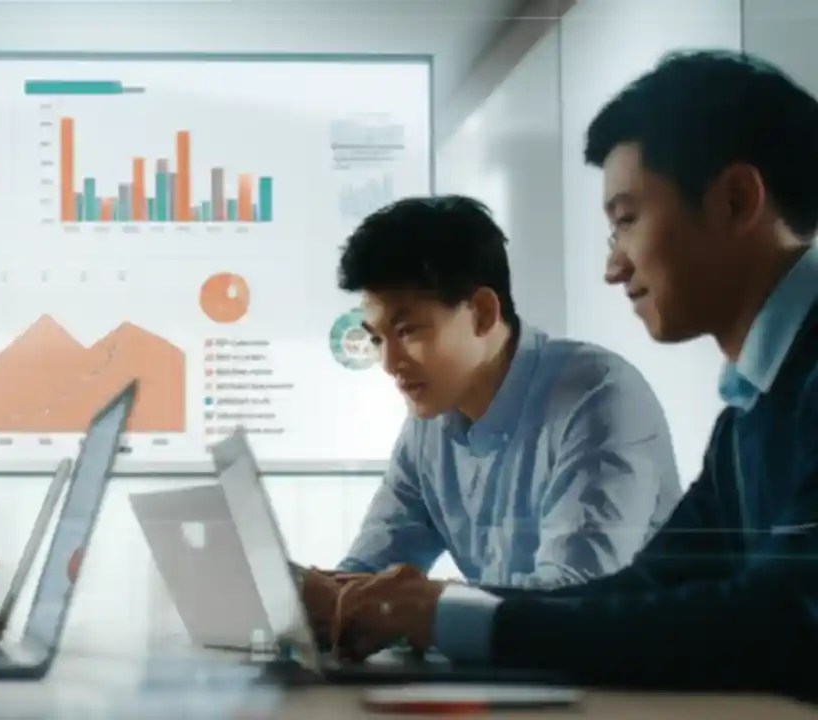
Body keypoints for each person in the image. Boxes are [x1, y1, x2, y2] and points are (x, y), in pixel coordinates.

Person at [327, 50, 818, 698]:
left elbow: (781, 622)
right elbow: (644, 591)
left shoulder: (788, 390)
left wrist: (443, 612)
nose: (613, 267)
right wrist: (405, 606)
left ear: (734, 199)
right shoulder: (751, 412)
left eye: (626, 222)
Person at [301, 195, 681, 642]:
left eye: (407, 332)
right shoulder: (432, 420)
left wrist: (426, 606)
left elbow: (577, 597)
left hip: (624, 687)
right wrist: (317, 599)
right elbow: (367, 575)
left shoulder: (597, 399)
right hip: (517, 678)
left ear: (482, 312)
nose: (390, 363)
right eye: (378, 339)